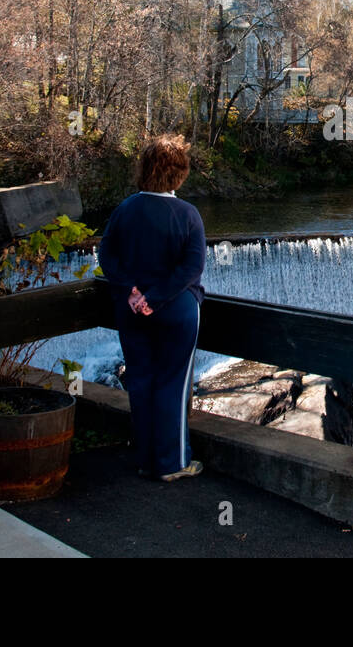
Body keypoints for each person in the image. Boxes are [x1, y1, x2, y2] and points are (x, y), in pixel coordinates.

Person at [96, 135, 206, 482]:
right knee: (173, 384)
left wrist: (132, 292)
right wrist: (155, 298)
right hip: (176, 311)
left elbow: (107, 254)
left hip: (130, 311)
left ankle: (145, 458)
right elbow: (191, 268)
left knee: (140, 381)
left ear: (143, 170)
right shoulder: (187, 214)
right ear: (179, 174)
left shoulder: (125, 209)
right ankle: (173, 464)